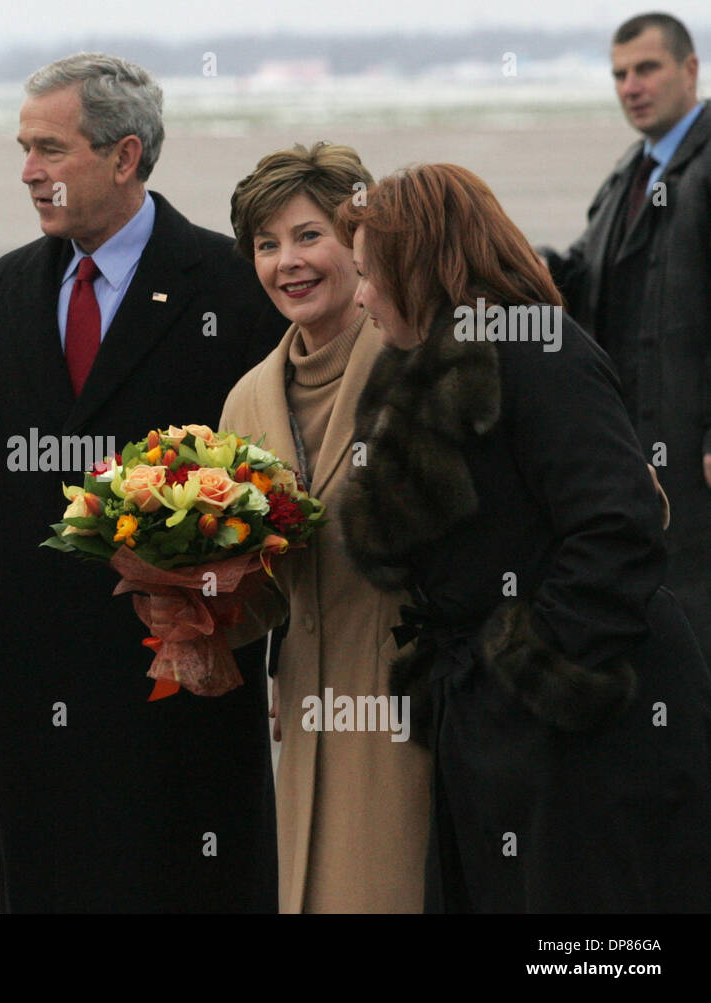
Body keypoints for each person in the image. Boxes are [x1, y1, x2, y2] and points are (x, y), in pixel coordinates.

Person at [0, 53, 283, 912]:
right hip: (34, 669)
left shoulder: (233, 285)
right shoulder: (0, 292)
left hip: (179, 665)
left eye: (50, 149)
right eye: (24, 148)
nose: (28, 171)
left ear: (124, 156)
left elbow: (276, 486)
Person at [337, 162, 711, 911]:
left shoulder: (539, 350)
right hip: (505, 724)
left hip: (592, 724)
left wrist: (523, 683)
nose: (362, 296)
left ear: (422, 264)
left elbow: (618, 529)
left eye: (370, 273)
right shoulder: (438, 367)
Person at [219, 143, 429, 913]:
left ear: (359, 242)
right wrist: (191, 601)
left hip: (414, 702)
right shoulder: (248, 397)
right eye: (267, 245)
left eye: (309, 236)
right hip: (306, 703)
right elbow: (270, 587)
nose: (287, 263)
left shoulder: (421, 359)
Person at [540, 12, 711, 659]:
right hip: (641, 446)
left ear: (689, 68)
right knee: (663, 628)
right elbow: (583, 274)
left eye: (647, 68)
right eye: (619, 74)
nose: (630, 86)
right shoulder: (629, 174)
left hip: (696, 447)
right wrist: (518, 268)